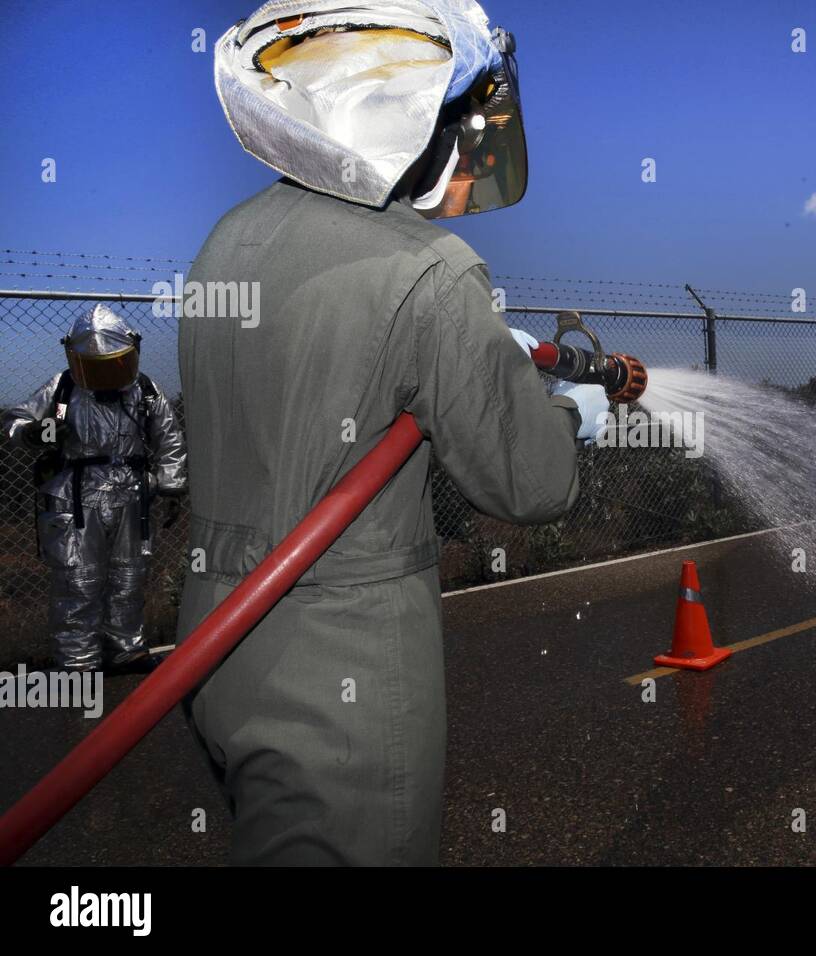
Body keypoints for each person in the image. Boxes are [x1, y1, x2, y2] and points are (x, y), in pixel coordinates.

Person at [179, 0, 606, 865]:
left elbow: (324, 376)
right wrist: (573, 415)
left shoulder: (227, 244)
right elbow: (527, 483)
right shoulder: (428, 269)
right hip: (342, 657)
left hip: (213, 635)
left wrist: (462, 360)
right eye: (462, 117)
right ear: (418, 116)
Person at [1, 305, 186, 671]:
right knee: (78, 583)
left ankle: (126, 651)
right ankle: (78, 663)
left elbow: (169, 439)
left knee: (129, 577)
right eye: (96, 365)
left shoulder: (145, 391)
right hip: (76, 497)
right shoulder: (64, 387)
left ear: (129, 354)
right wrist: (35, 432)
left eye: (113, 363)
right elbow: (15, 420)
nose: (104, 373)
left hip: (132, 496)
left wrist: (172, 488)